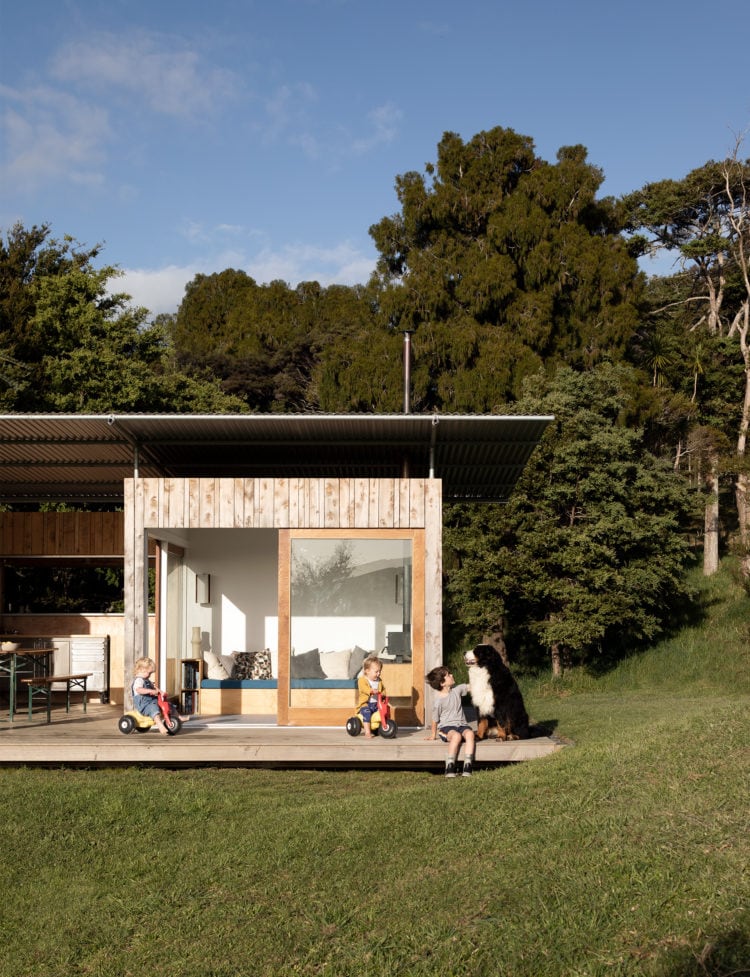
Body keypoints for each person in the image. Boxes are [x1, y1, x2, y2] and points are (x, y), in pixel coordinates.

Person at [425, 665, 475, 777]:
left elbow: (470, 687)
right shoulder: (438, 701)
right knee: (456, 736)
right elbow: (435, 719)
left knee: (470, 734)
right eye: (448, 675)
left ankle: (468, 764)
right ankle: (450, 765)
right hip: (446, 728)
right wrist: (433, 735)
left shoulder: (457, 690)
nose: (452, 675)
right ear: (442, 683)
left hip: (462, 725)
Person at [131, 657, 168, 735]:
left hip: (151, 702)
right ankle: (160, 725)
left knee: (166, 704)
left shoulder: (147, 680)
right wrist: (150, 691)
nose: (150, 675)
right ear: (141, 670)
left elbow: (154, 687)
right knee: (153, 709)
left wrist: (160, 692)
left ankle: (178, 717)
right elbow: (139, 690)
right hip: (144, 705)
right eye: (149, 673)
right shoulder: (139, 680)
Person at [355, 655, 386, 739]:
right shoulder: (362, 680)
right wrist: (371, 690)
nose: (379, 673)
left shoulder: (379, 681)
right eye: (376, 671)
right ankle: (367, 732)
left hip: (376, 704)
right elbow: (364, 688)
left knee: (383, 712)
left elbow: (383, 689)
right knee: (367, 713)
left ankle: (381, 728)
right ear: (367, 671)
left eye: (380, 671)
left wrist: (383, 694)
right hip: (366, 704)